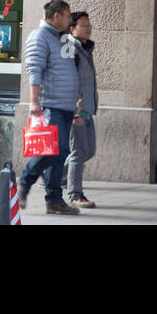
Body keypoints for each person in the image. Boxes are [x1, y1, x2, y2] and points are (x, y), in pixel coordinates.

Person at [16, 0, 81, 216]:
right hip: (50, 105)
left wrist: (77, 98)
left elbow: (69, 69)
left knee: (59, 154)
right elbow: (34, 70)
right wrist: (34, 101)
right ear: (56, 16)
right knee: (57, 149)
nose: (69, 19)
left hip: (66, 105)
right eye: (67, 15)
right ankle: (25, 180)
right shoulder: (39, 37)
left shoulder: (63, 38)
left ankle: (54, 201)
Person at [64, 11, 98, 209]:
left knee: (89, 150)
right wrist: (75, 108)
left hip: (88, 107)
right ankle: (75, 194)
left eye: (88, 24)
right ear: (72, 29)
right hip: (77, 108)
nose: (88, 27)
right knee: (78, 152)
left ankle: (55, 170)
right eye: (83, 25)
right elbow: (68, 79)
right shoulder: (70, 48)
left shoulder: (85, 48)